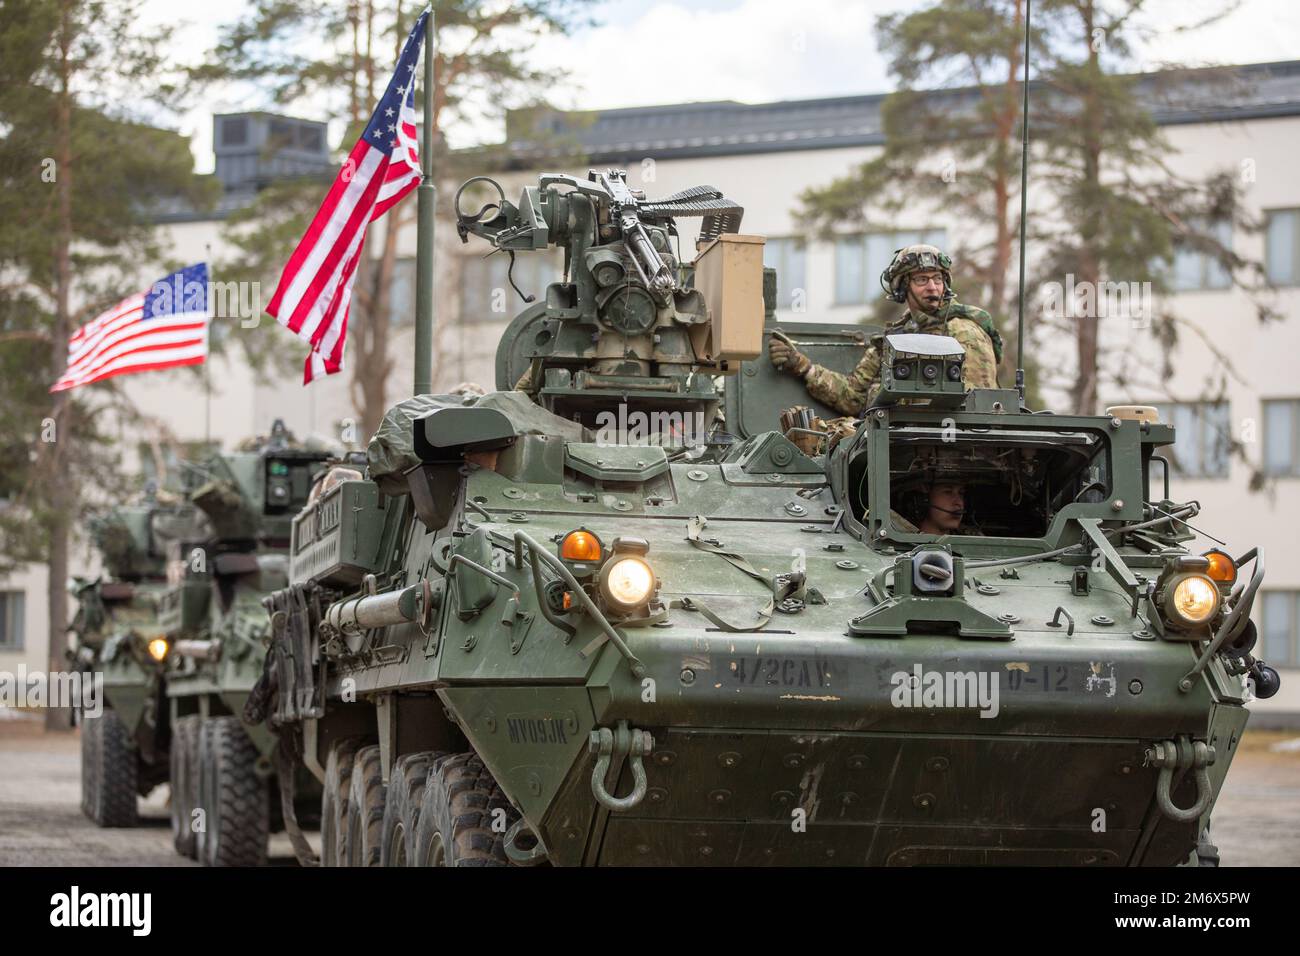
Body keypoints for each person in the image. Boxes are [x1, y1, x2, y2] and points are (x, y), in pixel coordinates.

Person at [768, 244, 1001, 415]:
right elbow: (853, 396)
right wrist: (802, 366)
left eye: (937, 279)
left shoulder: (963, 330)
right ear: (903, 287)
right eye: (921, 279)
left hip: (944, 447)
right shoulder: (895, 338)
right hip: (894, 445)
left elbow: (977, 404)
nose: (932, 287)